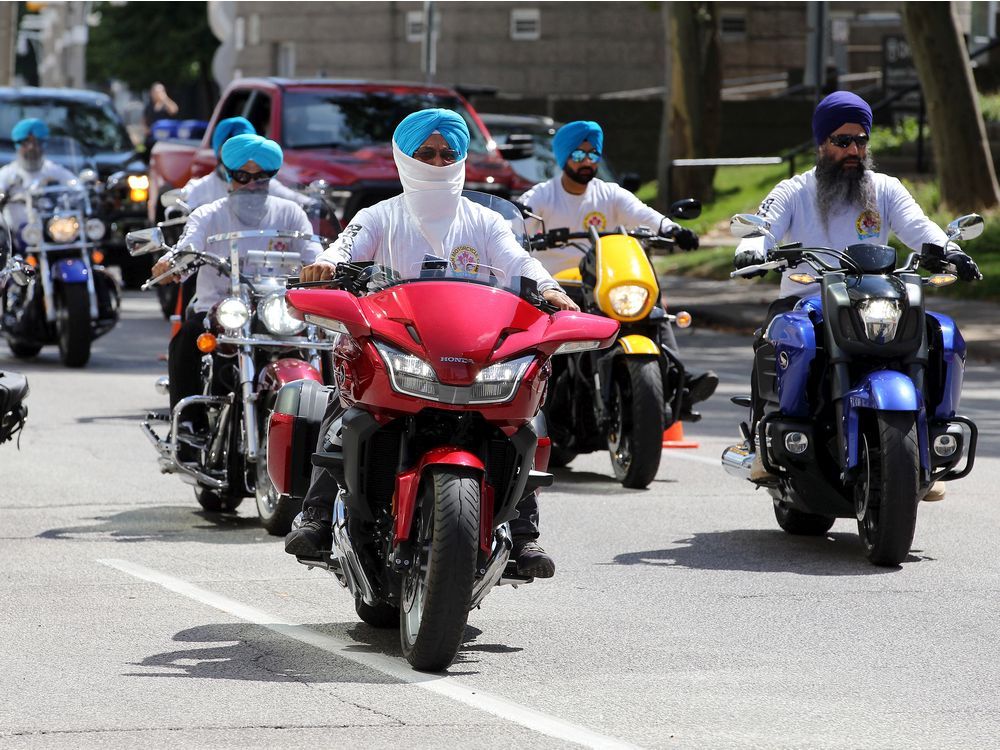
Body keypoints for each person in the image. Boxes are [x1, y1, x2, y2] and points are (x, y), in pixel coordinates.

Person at [284, 108, 578, 578]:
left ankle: (523, 535)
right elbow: (344, 247)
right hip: (391, 345)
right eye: (426, 153)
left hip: (471, 348)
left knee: (522, 418)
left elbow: (518, 261)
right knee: (345, 406)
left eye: (448, 153)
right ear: (404, 156)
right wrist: (326, 265)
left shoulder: (486, 220)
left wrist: (550, 289)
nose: (438, 162)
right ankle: (316, 515)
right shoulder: (379, 215)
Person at [733, 90, 981, 494]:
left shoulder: (885, 188)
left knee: (940, 334)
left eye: (861, 140)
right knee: (783, 335)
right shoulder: (794, 190)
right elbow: (764, 224)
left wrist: (950, 251)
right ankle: (764, 441)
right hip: (807, 298)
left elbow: (920, 228)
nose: (854, 150)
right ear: (821, 142)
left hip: (874, 298)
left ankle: (929, 442)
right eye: (842, 140)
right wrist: (752, 249)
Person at [519, 120, 717, 420]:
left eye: (593, 155)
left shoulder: (610, 193)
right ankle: (539, 399)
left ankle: (679, 381)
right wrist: (515, 226)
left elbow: (644, 214)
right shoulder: (543, 195)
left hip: (606, 284)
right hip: (561, 289)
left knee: (652, 304)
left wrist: (673, 229)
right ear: (563, 157)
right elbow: (516, 221)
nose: (587, 161)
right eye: (578, 155)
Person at [151, 134, 320, 410]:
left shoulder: (291, 213)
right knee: (186, 339)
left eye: (261, 177)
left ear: (271, 178)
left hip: (276, 311)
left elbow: (313, 254)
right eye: (243, 176)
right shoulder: (208, 214)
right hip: (219, 309)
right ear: (230, 177)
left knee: (326, 341)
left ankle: (327, 418)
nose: (252, 185)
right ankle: (188, 424)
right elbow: (187, 246)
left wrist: (324, 267)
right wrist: (171, 263)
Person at [179, 116, 313, 210]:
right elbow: (183, 202)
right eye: (241, 177)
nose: (251, 185)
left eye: (244, 151)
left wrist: (314, 205)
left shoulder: (264, 183)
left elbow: (293, 198)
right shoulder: (201, 189)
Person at [0, 119, 77, 234]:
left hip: (52, 233)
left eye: (37, 142)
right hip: (13, 235)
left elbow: (77, 188)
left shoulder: (55, 171)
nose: (32, 148)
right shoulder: (7, 174)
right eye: (26, 142)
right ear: (18, 145)